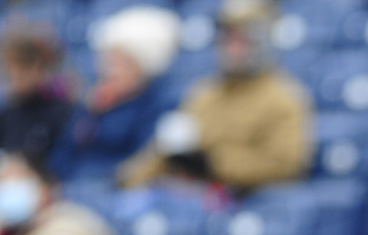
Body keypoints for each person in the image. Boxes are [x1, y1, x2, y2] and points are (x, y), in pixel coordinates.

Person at [117, 0, 312, 193]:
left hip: (244, 202)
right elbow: (165, 151)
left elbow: (285, 165)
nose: (231, 49)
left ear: (262, 43)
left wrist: (212, 163)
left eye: (242, 41)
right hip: (190, 198)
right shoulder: (204, 94)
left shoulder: (284, 98)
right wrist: (128, 180)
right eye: (227, 40)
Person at [49, 6, 181, 182]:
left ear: (143, 68)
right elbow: (62, 157)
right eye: (109, 60)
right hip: (72, 187)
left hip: (117, 190)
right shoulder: (94, 103)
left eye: (122, 62)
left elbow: (142, 162)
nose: (111, 70)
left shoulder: (156, 105)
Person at [0, 18, 73, 183]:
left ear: (39, 66)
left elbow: (66, 167)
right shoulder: (0, 117)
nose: (13, 75)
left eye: (21, 65)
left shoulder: (64, 113)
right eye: (7, 68)